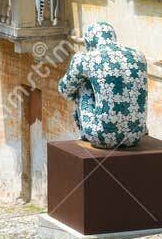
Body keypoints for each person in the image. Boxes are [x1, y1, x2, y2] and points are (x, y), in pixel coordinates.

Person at [57, 21, 149, 149]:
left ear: (89, 41)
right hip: (135, 135)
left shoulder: (85, 59)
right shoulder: (139, 55)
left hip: (102, 137)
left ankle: (85, 133)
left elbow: (64, 89)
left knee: (82, 83)